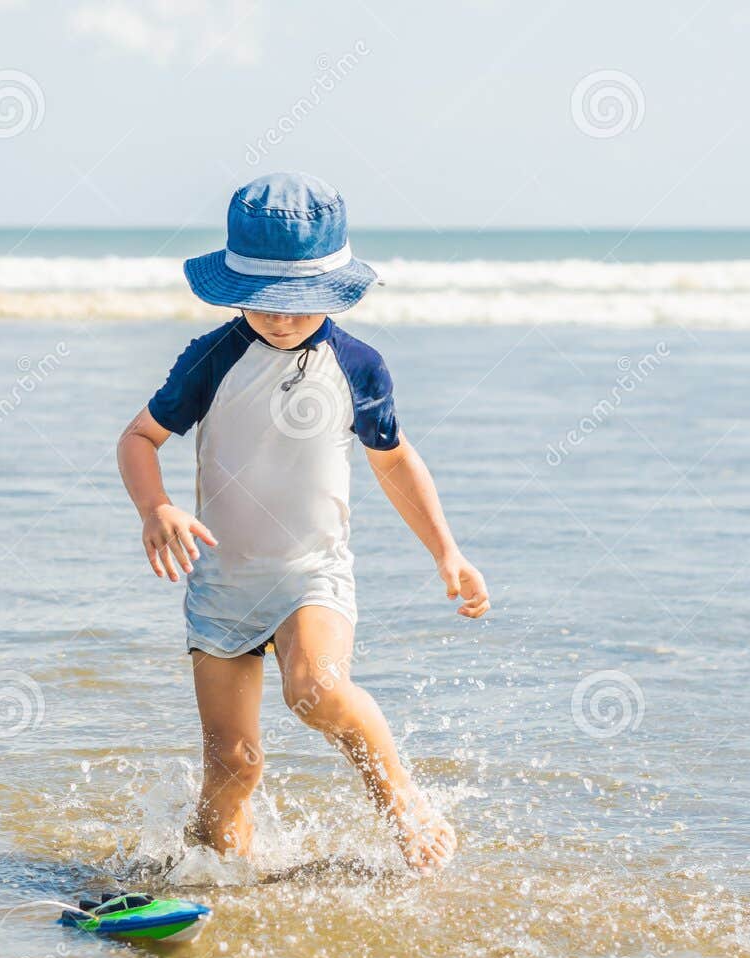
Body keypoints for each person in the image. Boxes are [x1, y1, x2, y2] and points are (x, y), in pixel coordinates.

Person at [116, 172, 489, 872]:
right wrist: (155, 507)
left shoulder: (358, 366)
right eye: (264, 300)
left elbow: (394, 462)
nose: (282, 318)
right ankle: (216, 877)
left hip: (312, 573)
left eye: (300, 301)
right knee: (234, 765)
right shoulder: (210, 358)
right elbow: (138, 439)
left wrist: (448, 552)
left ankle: (402, 800)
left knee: (313, 687)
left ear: (334, 289)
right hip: (222, 584)